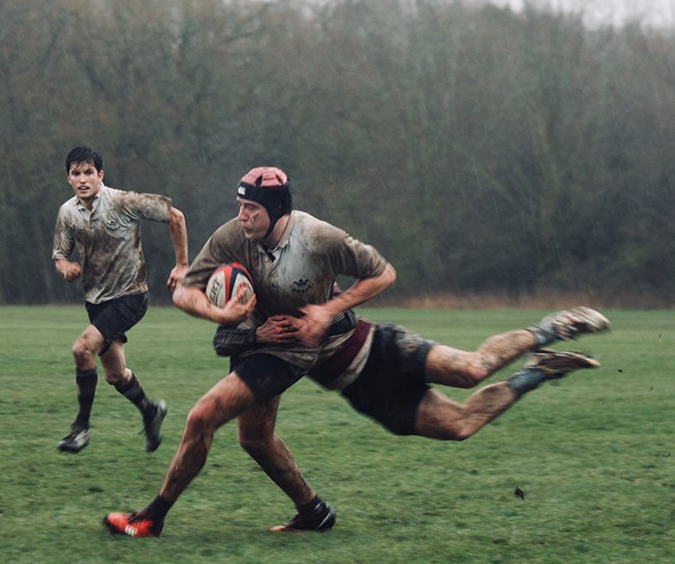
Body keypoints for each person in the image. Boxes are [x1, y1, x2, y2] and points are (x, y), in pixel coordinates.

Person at [104, 166, 609, 537]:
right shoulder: (234, 237)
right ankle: (536, 374)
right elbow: (185, 291)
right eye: (240, 207)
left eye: (251, 209)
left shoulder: (318, 237)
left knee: (472, 369)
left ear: (277, 210)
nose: (241, 216)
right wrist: (227, 316)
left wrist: (328, 311)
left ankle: (549, 330)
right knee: (458, 425)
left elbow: (383, 273)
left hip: (368, 346)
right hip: (308, 363)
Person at [52, 146, 188, 454]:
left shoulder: (123, 202)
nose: (83, 179)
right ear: (68, 178)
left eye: (89, 172)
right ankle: (150, 411)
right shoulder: (67, 213)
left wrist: (182, 265)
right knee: (115, 374)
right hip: (96, 301)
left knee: (81, 349)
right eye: (76, 173)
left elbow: (175, 216)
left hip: (130, 296)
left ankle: (80, 429)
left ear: (100, 175)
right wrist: (66, 267)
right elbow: (60, 254)